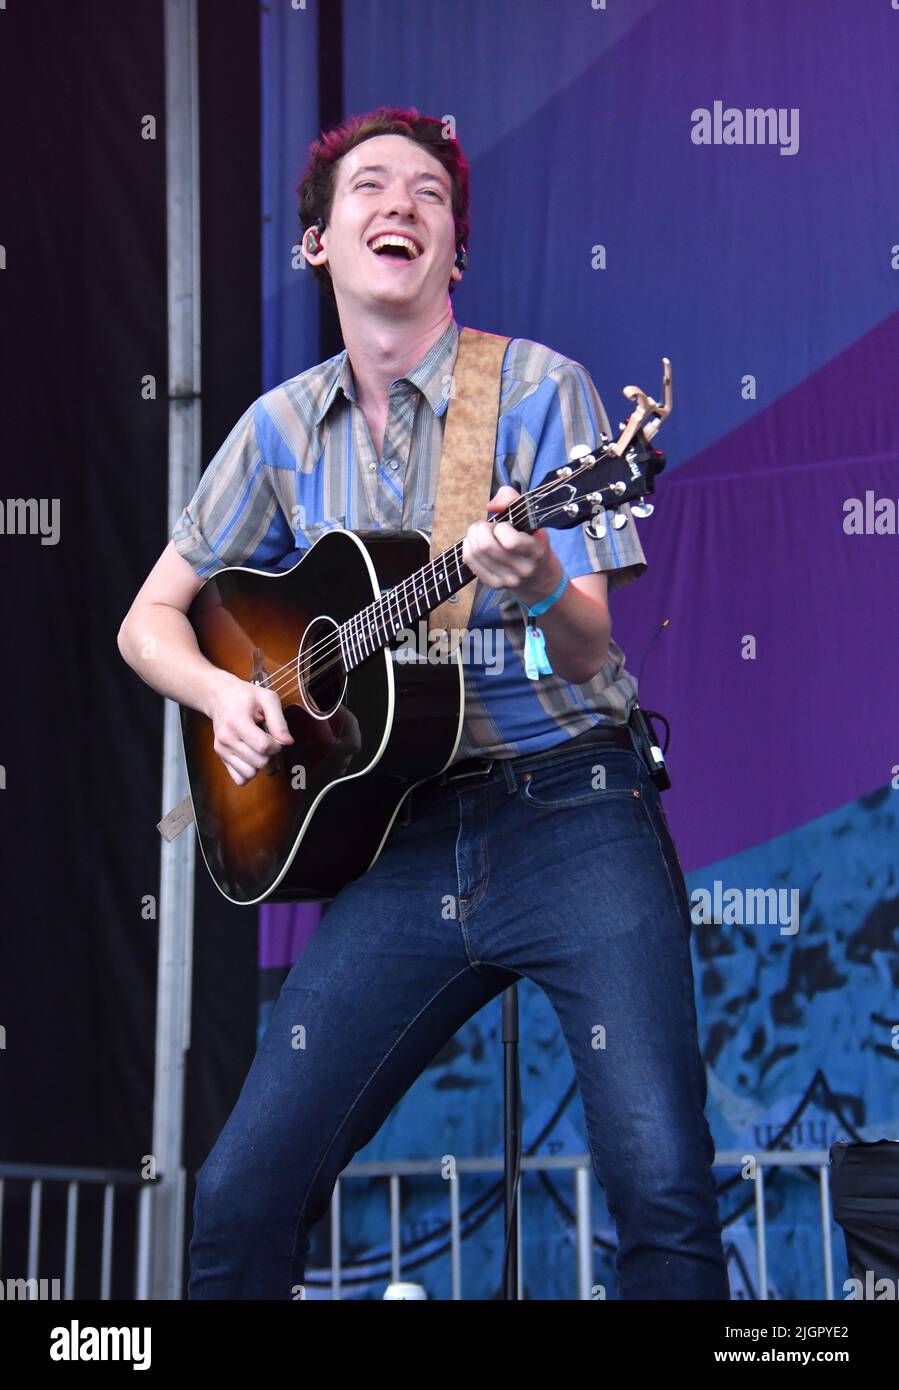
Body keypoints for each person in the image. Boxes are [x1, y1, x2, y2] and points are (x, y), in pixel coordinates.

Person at [117, 106, 729, 1300]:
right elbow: (148, 619)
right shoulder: (275, 429)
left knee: (661, 1182)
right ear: (317, 246)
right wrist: (225, 695)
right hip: (395, 838)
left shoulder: (541, 389)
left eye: (429, 196)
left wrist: (543, 573)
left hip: (568, 804)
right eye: (368, 188)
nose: (399, 204)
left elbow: (591, 633)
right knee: (241, 1196)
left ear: (455, 251)